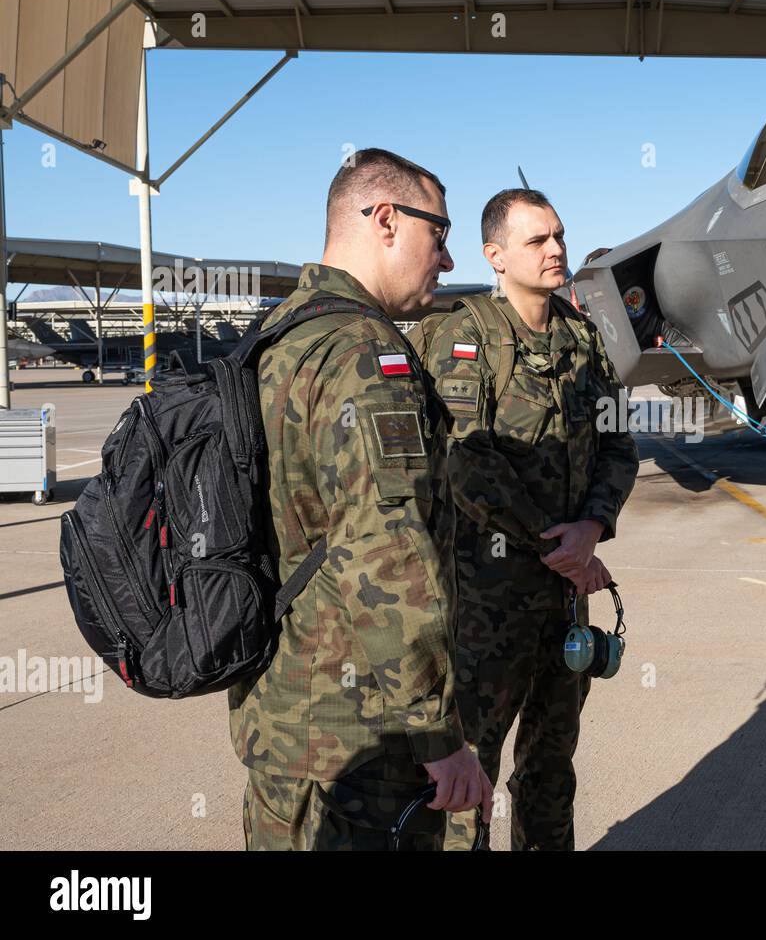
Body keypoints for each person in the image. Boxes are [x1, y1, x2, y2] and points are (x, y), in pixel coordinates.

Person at [230, 148, 492, 850]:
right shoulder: (366, 356)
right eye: (439, 233)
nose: (447, 258)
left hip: (282, 716)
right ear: (385, 220)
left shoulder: (279, 336)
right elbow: (386, 553)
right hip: (361, 739)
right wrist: (438, 735)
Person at [414, 188, 638, 850]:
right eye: (537, 240)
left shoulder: (582, 339)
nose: (556, 249)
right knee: (469, 772)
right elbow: (466, 460)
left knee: (551, 766)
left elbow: (618, 443)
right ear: (495, 255)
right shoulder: (465, 336)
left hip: (564, 598)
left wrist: (592, 526)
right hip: (486, 603)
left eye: (559, 235)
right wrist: (557, 544)